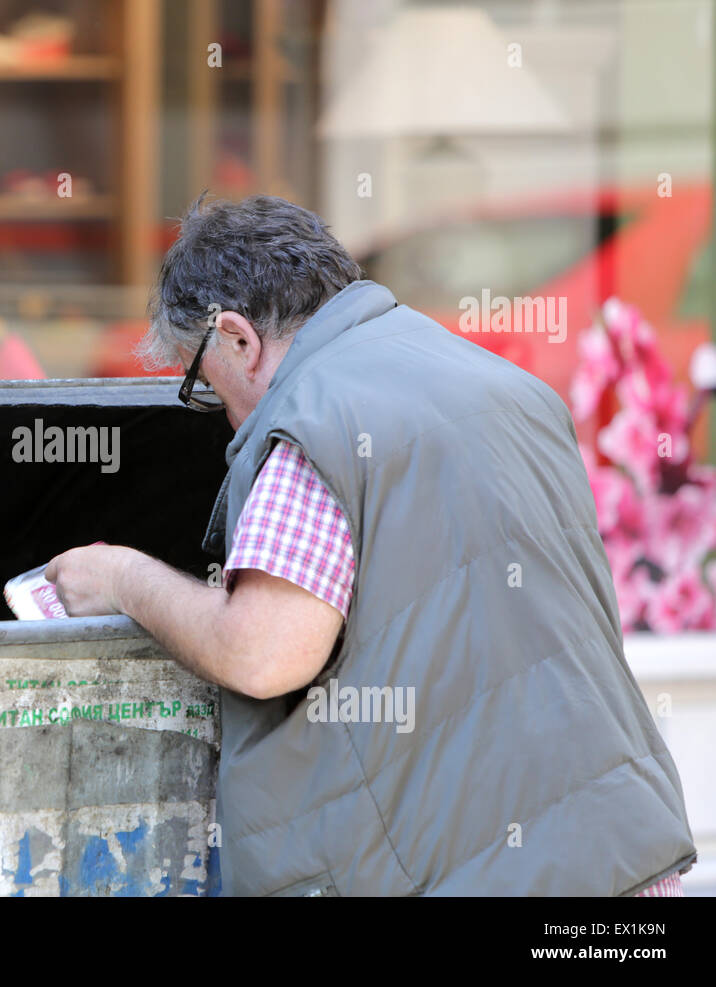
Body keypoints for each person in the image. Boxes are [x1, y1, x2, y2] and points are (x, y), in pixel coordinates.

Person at [44, 193, 696, 896]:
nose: (222, 415)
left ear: (236, 338)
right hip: (624, 859)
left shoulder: (313, 418)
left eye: (205, 386)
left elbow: (262, 653)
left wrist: (122, 577)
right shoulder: (513, 390)